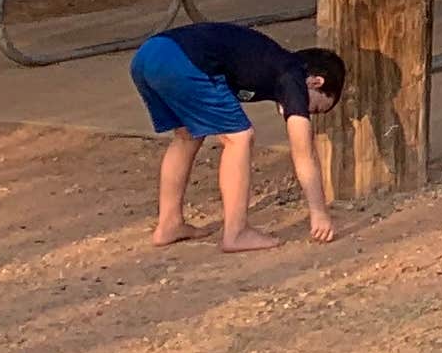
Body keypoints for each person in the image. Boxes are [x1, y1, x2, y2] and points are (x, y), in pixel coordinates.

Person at [132, 22, 345, 252]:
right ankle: (237, 232)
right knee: (239, 137)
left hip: (148, 56)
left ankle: (169, 224)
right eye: (315, 108)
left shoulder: (272, 64)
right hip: (182, 60)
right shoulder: (292, 75)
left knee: (187, 135)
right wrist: (319, 212)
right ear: (316, 82)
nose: (305, 112)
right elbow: (304, 153)